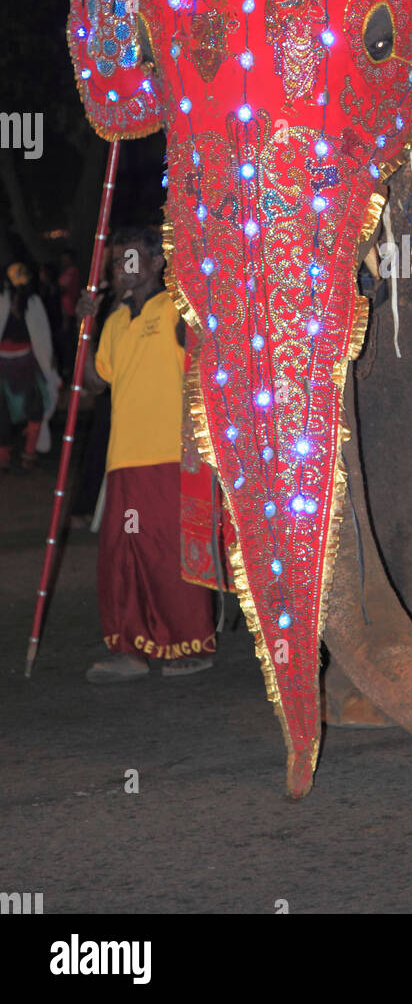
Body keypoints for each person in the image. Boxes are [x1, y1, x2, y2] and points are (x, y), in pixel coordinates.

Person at [77, 226, 216, 682]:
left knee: (168, 551)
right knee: (122, 552)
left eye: (132, 259)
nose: (122, 269)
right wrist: (85, 328)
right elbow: (97, 384)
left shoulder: (176, 309)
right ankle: (130, 648)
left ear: (157, 263)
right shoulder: (116, 320)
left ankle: (190, 644)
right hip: (123, 459)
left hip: (169, 456)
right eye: (118, 262)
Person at [0, 263, 61, 470]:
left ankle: (29, 453)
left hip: (28, 364)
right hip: (3, 366)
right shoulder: (1, 301)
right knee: (2, 412)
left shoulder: (33, 303)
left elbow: (42, 337)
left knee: (36, 407)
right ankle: (4, 455)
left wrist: (49, 366)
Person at [58, 249, 82, 381]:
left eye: (66, 258)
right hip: (65, 311)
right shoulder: (66, 272)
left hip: (69, 312)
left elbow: (63, 289)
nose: (63, 261)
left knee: (69, 344)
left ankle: (72, 372)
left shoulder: (72, 272)